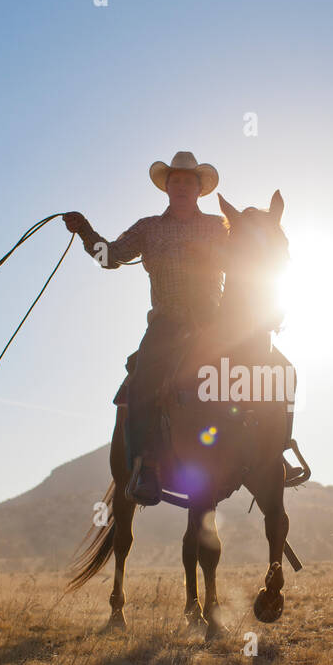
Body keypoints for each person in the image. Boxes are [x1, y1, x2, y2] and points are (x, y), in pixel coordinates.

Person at [63, 151, 228, 506]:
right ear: (167, 187)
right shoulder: (148, 228)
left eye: (189, 181)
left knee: (264, 369)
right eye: (176, 180)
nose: (182, 186)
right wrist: (85, 231)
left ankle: (273, 451)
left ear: (199, 188)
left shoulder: (219, 227)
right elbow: (111, 258)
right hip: (168, 323)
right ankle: (145, 466)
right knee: (142, 384)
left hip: (215, 321)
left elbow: (245, 262)